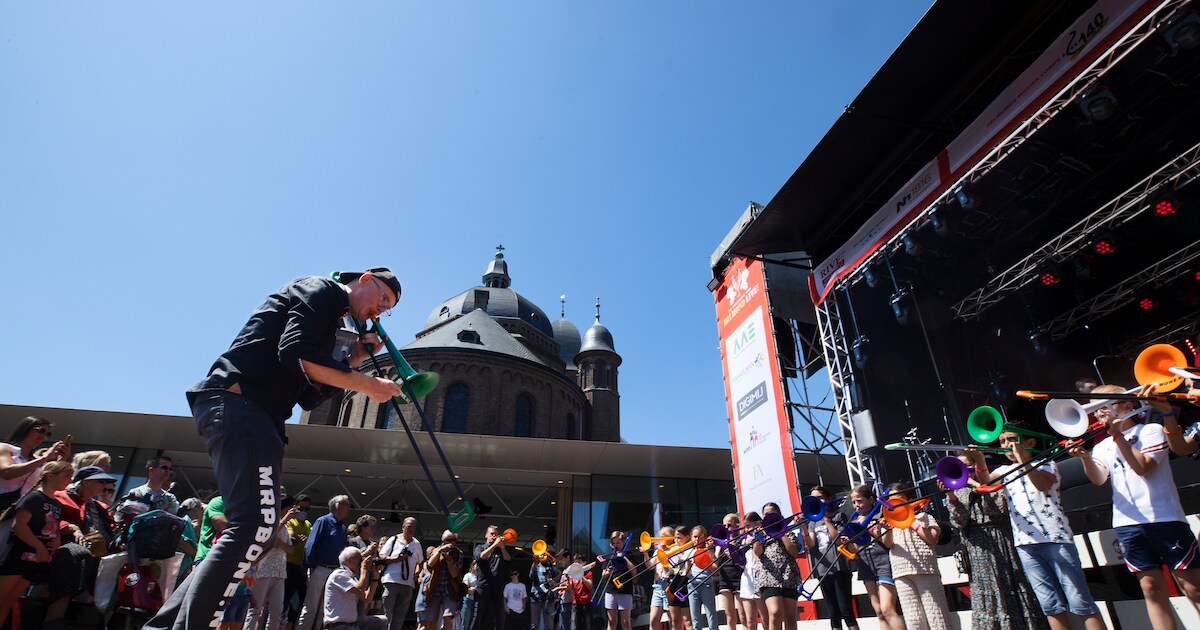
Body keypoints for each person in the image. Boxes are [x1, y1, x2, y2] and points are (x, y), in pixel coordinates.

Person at [147, 268, 404, 629]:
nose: (379, 312)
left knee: (256, 529)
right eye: (383, 300)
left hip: (255, 413)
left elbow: (307, 397)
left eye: (387, 309)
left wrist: (354, 362)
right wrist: (363, 384)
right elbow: (294, 351)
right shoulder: (322, 290)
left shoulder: (330, 322)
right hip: (242, 404)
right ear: (364, 279)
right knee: (255, 526)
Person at [1072, 383, 1200, 629]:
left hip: (1163, 518)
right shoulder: (1101, 446)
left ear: (1129, 405)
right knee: (1151, 590)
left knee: (1192, 587)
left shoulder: (1151, 430)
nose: (1100, 413)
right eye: (1096, 409)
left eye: (1106, 406)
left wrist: (1119, 437)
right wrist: (1086, 458)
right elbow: (1099, 479)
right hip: (1127, 523)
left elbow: (1143, 468)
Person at [969, 421, 1105, 630]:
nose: (1006, 445)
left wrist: (1023, 457)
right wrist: (979, 459)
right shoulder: (1005, 470)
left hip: (1056, 540)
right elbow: (987, 482)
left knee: (1080, 601)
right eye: (1003, 441)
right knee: (1050, 605)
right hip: (1025, 545)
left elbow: (1040, 484)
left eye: (1012, 440)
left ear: (1030, 441)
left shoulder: (1046, 463)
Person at [943, 454, 1047, 630]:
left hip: (1000, 542)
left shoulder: (992, 482)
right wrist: (951, 496)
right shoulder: (958, 491)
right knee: (987, 594)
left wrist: (977, 486)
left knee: (1011, 587)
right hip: (977, 549)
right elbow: (959, 521)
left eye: (967, 466)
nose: (963, 471)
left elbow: (996, 510)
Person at [0, 460, 72, 623]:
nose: (69, 479)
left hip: (35, 560)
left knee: (8, 602)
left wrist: (57, 541)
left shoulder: (57, 505)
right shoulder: (34, 497)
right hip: (18, 555)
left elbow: (54, 529)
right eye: (66, 475)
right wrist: (39, 546)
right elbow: (19, 525)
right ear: (49, 476)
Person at [880, 483, 950, 630]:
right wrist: (886, 530)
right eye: (891, 501)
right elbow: (888, 544)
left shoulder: (924, 517)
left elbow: (932, 539)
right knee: (913, 618)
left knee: (936, 615)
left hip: (925, 569)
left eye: (898, 500)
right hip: (901, 572)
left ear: (910, 499)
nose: (895, 505)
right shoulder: (891, 521)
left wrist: (912, 521)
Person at [842, 485, 903, 630]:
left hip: (883, 563)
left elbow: (888, 543)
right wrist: (849, 543)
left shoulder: (880, 515)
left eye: (860, 501)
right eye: (854, 502)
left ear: (870, 499)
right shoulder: (855, 521)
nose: (857, 505)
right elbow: (856, 552)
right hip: (866, 566)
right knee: (879, 612)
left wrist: (872, 528)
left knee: (888, 609)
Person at [801, 488, 857, 630]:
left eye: (820, 497)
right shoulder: (813, 522)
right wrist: (804, 527)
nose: (818, 501)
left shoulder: (839, 516)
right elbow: (811, 543)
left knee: (846, 611)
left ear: (827, 498)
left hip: (840, 567)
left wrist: (826, 519)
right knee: (833, 613)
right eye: (814, 498)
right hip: (822, 569)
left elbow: (838, 540)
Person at [299, 495, 354, 630]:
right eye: (346, 505)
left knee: (326, 609)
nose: (348, 508)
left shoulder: (342, 528)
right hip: (320, 568)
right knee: (311, 608)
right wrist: (310, 566)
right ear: (337, 506)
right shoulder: (323, 521)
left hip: (334, 571)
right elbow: (310, 544)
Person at [0, 417, 69, 514]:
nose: (43, 436)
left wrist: (62, 460)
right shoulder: (5, 448)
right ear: (26, 428)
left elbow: (50, 484)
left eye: (47, 434)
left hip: (22, 513)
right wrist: (44, 458)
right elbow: (6, 473)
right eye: (41, 431)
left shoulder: (37, 460)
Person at [247, 498, 297, 630]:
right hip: (263, 571)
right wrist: (284, 520)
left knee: (276, 612)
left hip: (280, 573)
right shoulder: (268, 522)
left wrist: (280, 544)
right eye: (290, 507)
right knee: (255, 610)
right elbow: (269, 538)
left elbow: (290, 549)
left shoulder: (285, 527)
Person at [751, 504, 802, 630]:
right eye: (766, 514)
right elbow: (757, 553)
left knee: (790, 616)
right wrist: (758, 538)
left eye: (772, 513)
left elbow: (794, 552)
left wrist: (781, 533)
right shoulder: (761, 533)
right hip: (768, 577)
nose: (769, 516)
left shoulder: (788, 532)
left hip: (788, 575)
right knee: (775, 612)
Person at [326, 545, 388, 629]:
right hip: (339, 625)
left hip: (352, 624)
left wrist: (375, 578)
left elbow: (367, 598)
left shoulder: (351, 577)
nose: (361, 561)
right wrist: (364, 570)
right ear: (350, 560)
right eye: (359, 558)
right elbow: (359, 588)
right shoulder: (339, 574)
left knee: (382, 621)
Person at [381, 516, 425, 630]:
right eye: (409, 527)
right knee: (386, 614)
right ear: (403, 527)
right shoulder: (394, 539)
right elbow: (382, 556)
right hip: (391, 580)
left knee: (400, 616)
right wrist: (396, 559)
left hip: (408, 584)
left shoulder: (416, 544)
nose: (411, 530)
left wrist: (417, 573)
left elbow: (420, 562)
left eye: (414, 527)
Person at [114, 455, 180, 525]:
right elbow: (128, 518)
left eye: (170, 469)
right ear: (151, 470)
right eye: (164, 467)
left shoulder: (170, 498)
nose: (168, 471)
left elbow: (170, 521)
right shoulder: (136, 492)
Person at [471, 524, 513, 630]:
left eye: (496, 535)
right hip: (483, 588)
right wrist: (493, 546)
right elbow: (481, 557)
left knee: (500, 617)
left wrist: (502, 547)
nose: (493, 536)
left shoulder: (500, 550)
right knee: (477, 617)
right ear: (486, 535)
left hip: (497, 589)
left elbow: (508, 560)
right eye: (491, 534)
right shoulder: (480, 547)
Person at [421, 530, 464, 630]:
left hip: (449, 590)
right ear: (443, 540)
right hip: (434, 590)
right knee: (432, 620)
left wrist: (449, 561)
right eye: (449, 540)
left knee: (447, 617)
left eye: (454, 540)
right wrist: (440, 551)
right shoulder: (436, 550)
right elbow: (429, 565)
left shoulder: (458, 553)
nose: (452, 542)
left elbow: (455, 574)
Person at [286, 494, 315, 627]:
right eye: (301, 508)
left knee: (300, 600)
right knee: (286, 600)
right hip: (288, 565)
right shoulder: (290, 521)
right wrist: (295, 539)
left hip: (301, 567)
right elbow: (291, 536)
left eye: (306, 509)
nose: (303, 512)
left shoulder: (308, 524)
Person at [601, 530, 637, 630]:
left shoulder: (629, 554)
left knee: (625, 622)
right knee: (612, 621)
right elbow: (603, 573)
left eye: (618, 543)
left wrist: (624, 558)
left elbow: (634, 570)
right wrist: (607, 572)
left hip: (625, 590)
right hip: (611, 589)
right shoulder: (609, 555)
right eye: (614, 543)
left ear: (623, 542)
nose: (616, 545)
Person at [685, 526, 718, 630]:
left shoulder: (708, 550)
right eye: (694, 537)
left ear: (704, 537)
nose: (697, 539)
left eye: (699, 537)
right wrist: (687, 567)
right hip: (692, 585)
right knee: (695, 619)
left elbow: (715, 569)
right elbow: (686, 575)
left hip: (706, 584)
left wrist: (710, 551)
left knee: (711, 615)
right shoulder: (689, 552)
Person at [714, 514, 743, 630]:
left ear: (737, 525)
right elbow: (715, 561)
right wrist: (715, 547)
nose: (726, 528)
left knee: (743, 615)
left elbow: (744, 561)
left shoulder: (741, 539)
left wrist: (733, 553)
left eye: (729, 525)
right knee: (730, 616)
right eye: (724, 525)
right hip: (725, 578)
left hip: (739, 577)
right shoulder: (720, 542)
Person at [737, 514, 765, 630]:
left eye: (748, 526)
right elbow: (743, 564)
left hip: (760, 578)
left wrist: (753, 542)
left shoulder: (763, 537)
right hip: (747, 580)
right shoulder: (744, 540)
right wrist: (735, 555)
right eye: (745, 527)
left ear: (758, 523)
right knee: (749, 621)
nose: (746, 530)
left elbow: (757, 556)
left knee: (765, 620)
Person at [645, 527, 675, 630]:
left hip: (669, 585)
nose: (659, 539)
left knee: (672, 619)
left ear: (670, 538)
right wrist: (645, 554)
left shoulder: (674, 549)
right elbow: (650, 566)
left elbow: (674, 568)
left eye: (663, 536)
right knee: (653, 620)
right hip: (657, 586)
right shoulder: (658, 550)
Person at [529, 547, 560, 630]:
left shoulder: (552, 568)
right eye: (541, 555)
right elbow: (531, 576)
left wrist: (551, 580)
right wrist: (534, 563)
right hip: (536, 597)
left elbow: (557, 582)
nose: (542, 556)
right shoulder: (536, 566)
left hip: (548, 598)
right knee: (534, 624)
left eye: (544, 554)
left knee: (549, 624)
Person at [463, 559, 481, 630]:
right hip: (468, 601)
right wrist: (474, 589)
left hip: (477, 602)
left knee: (474, 624)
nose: (478, 567)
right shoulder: (468, 575)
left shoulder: (480, 577)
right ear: (473, 565)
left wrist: (473, 589)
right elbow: (466, 590)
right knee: (465, 623)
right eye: (476, 565)